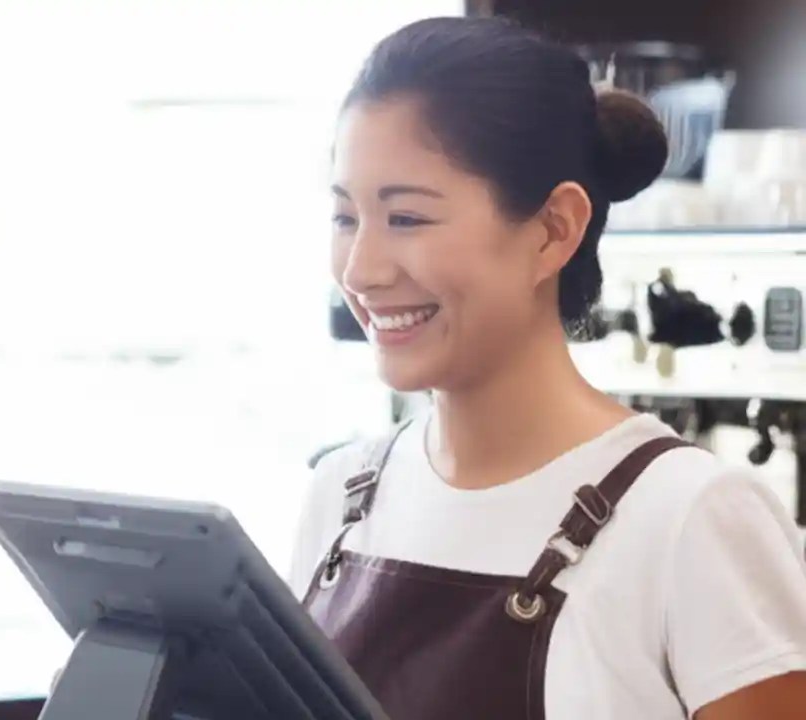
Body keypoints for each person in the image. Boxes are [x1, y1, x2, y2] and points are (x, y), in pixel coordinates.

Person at [290, 16, 806, 720]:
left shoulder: (690, 517)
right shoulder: (340, 498)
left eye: (407, 219)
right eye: (346, 217)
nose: (361, 270)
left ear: (553, 230)